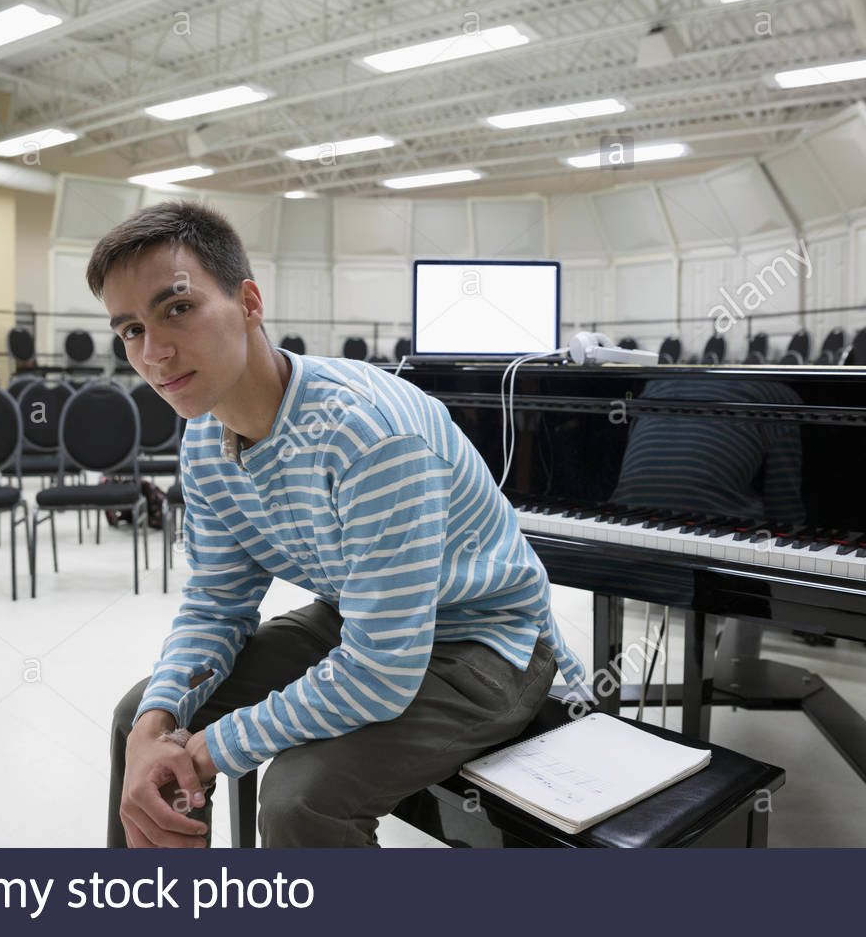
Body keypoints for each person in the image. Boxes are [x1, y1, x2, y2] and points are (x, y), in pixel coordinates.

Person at [92, 201, 585, 847]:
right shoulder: (204, 437)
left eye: (176, 308)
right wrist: (159, 728)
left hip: (487, 645)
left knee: (300, 799)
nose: (153, 352)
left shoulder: (367, 435)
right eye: (129, 330)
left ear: (248, 303)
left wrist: (212, 749)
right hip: (365, 616)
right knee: (141, 716)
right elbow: (217, 604)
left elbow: (381, 671)